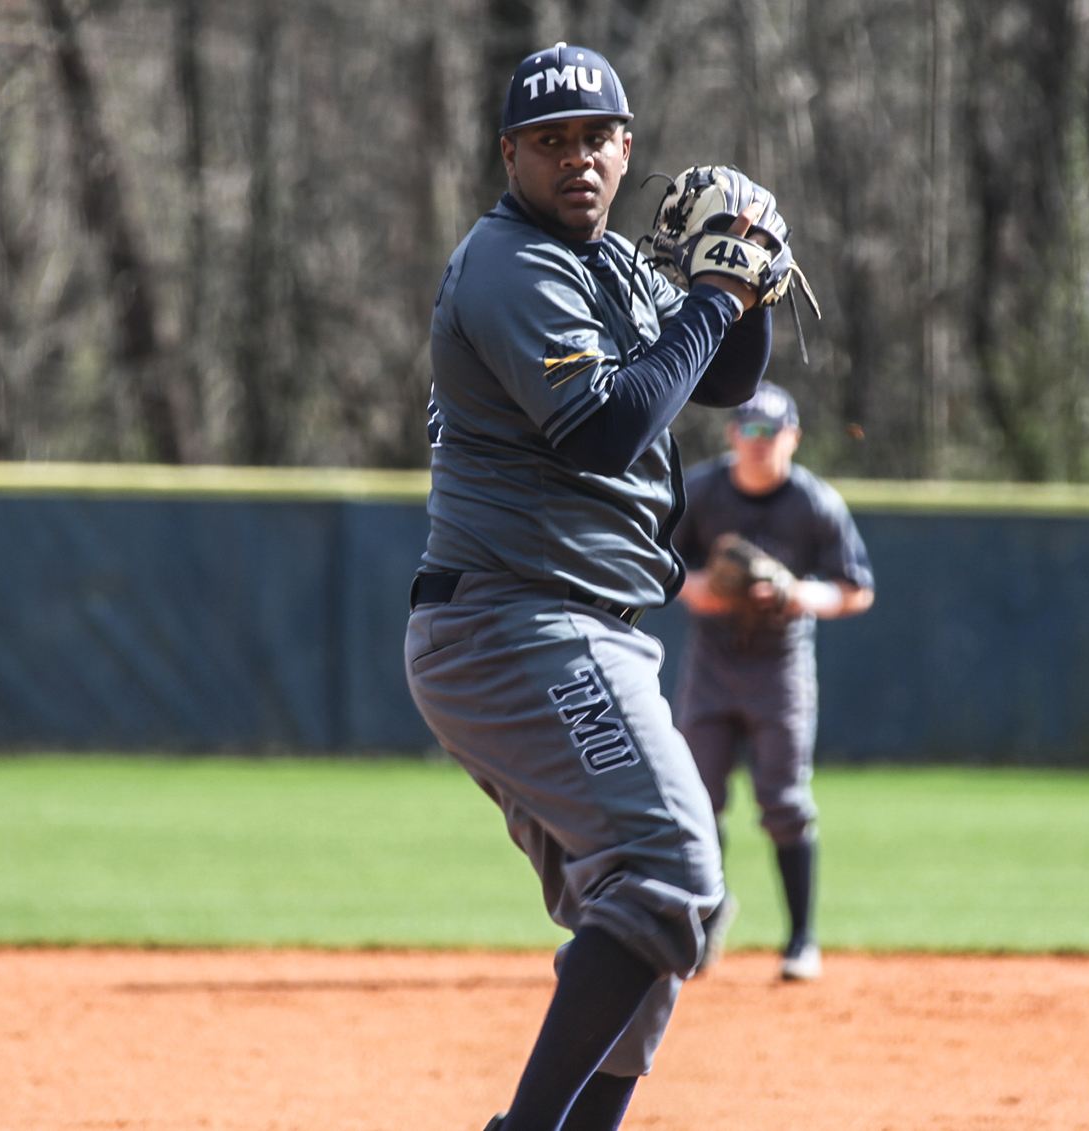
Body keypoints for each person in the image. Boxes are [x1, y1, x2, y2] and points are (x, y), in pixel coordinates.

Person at [403, 42, 775, 1131]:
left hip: (578, 628)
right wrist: (708, 294)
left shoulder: (606, 263)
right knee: (666, 874)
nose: (576, 159)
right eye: (550, 141)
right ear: (509, 153)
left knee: (661, 918)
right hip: (515, 621)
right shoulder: (510, 265)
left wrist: (738, 289)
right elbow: (608, 428)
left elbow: (724, 378)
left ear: (625, 149)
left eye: (595, 138)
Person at [673, 381, 874, 982]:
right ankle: (706, 919)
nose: (758, 443)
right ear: (733, 434)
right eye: (748, 431)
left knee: (785, 803)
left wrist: (795, 593)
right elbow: (665, 565)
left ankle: (801, 940)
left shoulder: (814, 502)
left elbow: (857, 588)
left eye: (771, 432)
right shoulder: (703, 492)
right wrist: (701, 590)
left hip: (780, 667)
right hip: (711, 665)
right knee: (694, 802)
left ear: (793, 437)